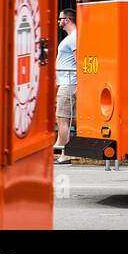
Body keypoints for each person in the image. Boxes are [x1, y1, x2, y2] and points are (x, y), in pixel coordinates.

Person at [55, 9, 77, 165]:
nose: (58, 21)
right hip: (66, 82)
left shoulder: (74, 38)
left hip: (69, 83)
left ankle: (65, 154)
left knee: (63, 119)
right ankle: (59, 149)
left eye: (60, 18)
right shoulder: (71, 37)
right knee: (62, 118)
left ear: (67, 20)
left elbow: (79, 59)